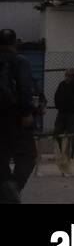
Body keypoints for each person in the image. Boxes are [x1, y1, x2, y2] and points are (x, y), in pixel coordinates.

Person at [0, 27, 37, 203]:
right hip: (16, 117)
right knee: (27, 155)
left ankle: (6, 187)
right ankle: (12, 187)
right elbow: (25, 88)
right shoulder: (20, 61)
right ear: (15, 43)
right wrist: (27, 112)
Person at [53, 69, 74, 161]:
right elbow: (56, 96)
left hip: (72, 113)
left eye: (70, 76)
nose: (67, 77)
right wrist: (58, 106)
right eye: (66, 75)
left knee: (71, 133)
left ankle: (70, 154)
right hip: (62, 112)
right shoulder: (62, 84)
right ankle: (61, 152)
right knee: (57, 132)